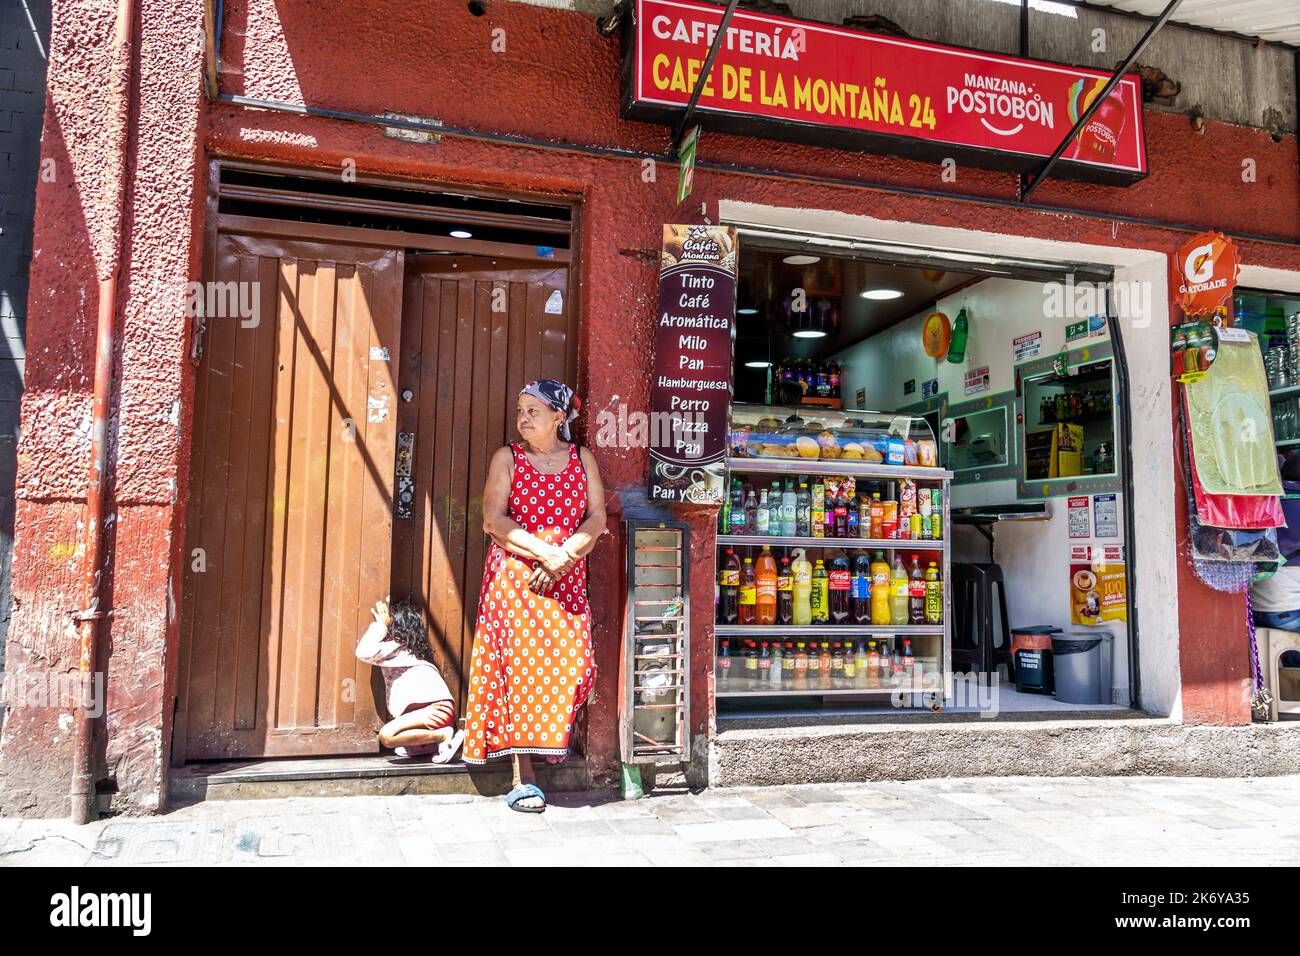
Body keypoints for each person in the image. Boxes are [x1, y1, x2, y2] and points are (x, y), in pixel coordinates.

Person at [463, 379, 607, 812]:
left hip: (565, 574)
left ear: (559, 417)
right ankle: (523, 777)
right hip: (517, 578)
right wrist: (547, 554)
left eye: (533, 410)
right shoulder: (507, 458)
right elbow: (493, 520)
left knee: (574, 665)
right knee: (519, 672)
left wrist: (564, 557)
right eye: (520, 409)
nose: (523, 417)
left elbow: (597, 517)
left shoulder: (583, 458)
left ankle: (547, 741)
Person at [355, 598, 463, 761]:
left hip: (436, 710)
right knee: (400, 742)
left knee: (387, 736)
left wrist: (380, 626)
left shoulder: (397, 649)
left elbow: (364, 651)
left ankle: (442, 736)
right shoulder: (408, 651)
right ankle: (429, 744)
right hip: (437, 710)